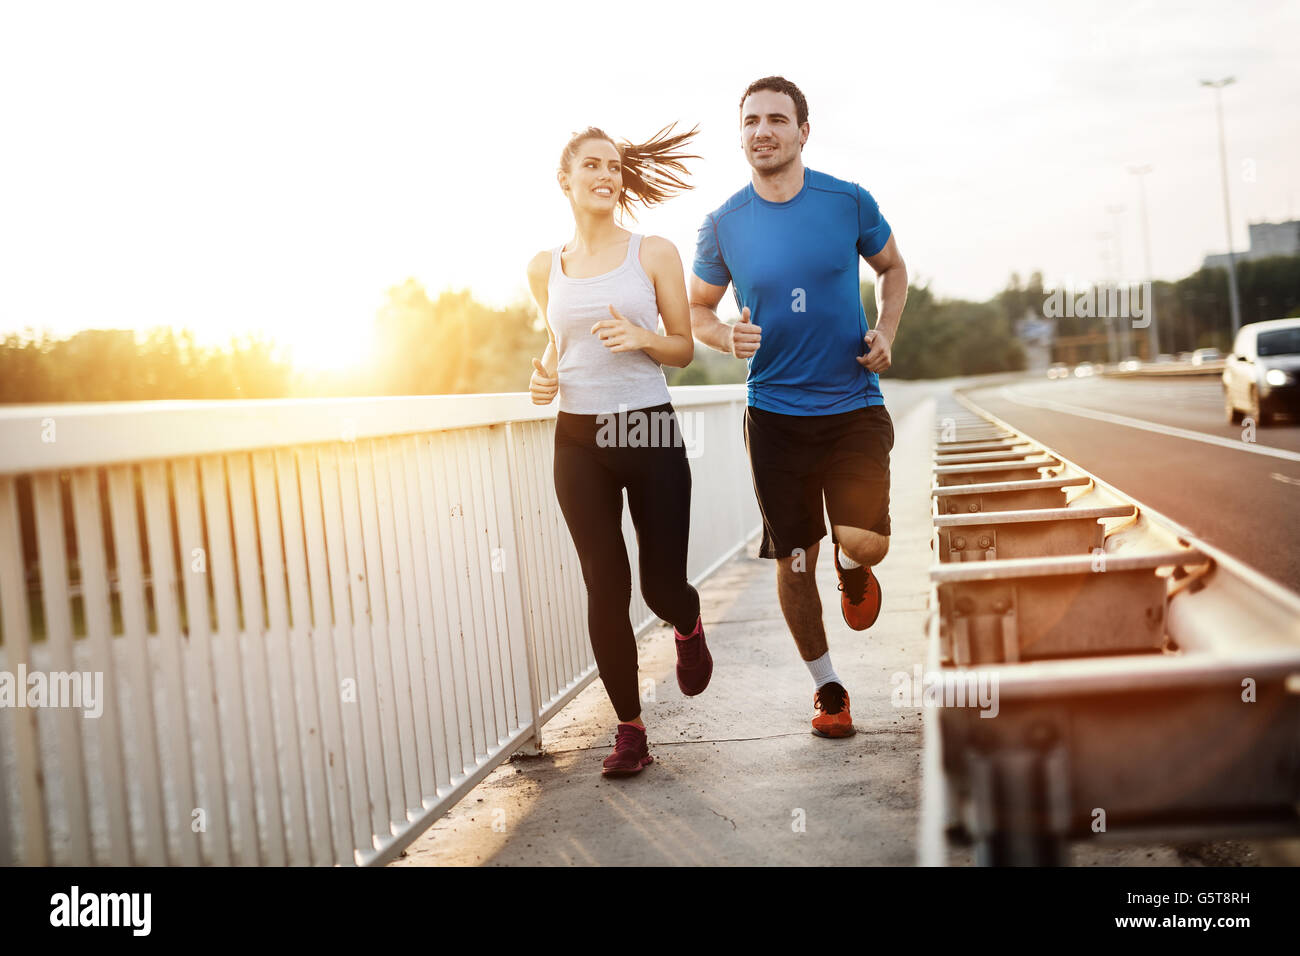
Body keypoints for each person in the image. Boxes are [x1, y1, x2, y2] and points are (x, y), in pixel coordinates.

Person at [688, 76, 908, 739]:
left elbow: (893, 269)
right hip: (776, 417)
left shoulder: (847, 202)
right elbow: (699, 308)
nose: (762, 130)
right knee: (794, 559)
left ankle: (852, 564)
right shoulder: (724, 223)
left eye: (777, 119)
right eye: (751, 120)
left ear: (802, 132)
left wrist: (886, 334)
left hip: (851, 402)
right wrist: (726, 335)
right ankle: (829, 690)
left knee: (865, 539)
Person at [526, 123, 711, 776]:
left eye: (614, 166)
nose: (607, 174)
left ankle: (687, 626)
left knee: (661, 586)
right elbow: (558, 342)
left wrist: (642, 337)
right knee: (604, 586)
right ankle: (629, 729)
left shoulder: (653, 253)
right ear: (567, 179)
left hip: (646, 429)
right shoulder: (543, 266)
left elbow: (683, 349)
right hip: (579, 439)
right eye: (593, 165)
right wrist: (542, 375)